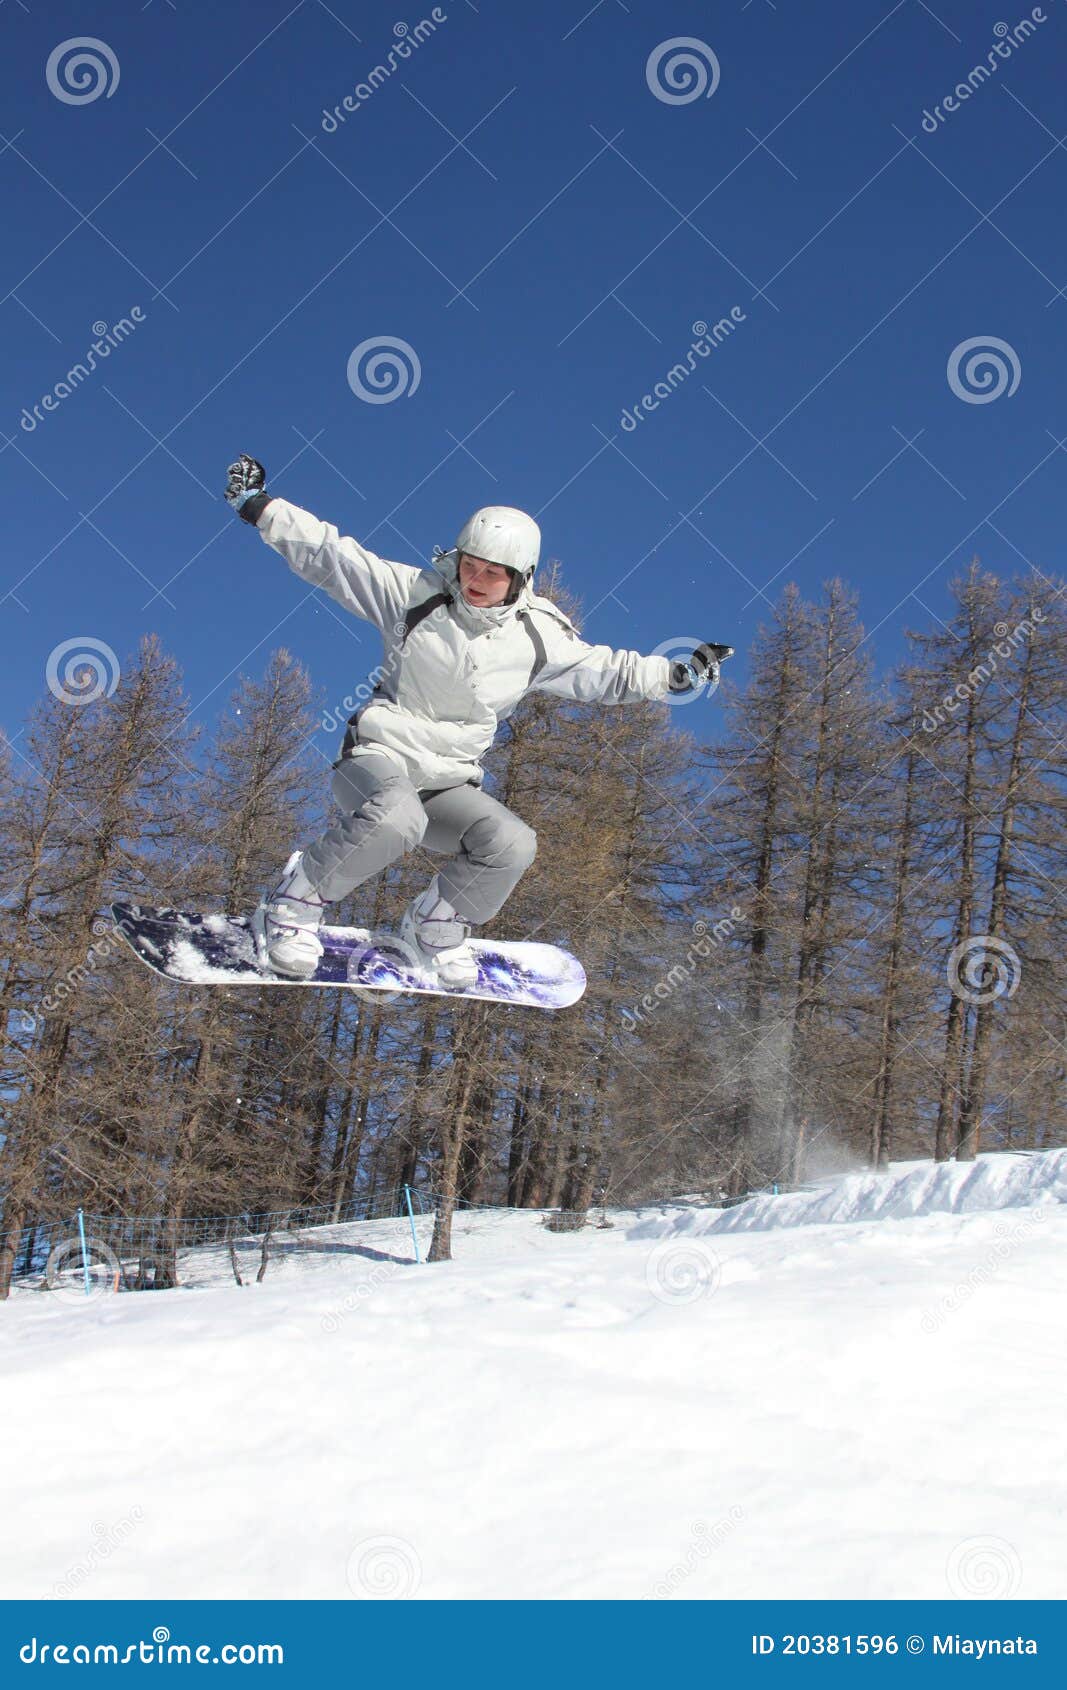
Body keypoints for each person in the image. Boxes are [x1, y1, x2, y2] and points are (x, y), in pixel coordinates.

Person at [225, 454, 728, 984]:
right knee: (398, 818)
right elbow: (333, 557)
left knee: (511, 843)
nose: (475, 579)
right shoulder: (414, 596)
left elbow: (603, 669)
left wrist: (675, 677)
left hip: (447, 783)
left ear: (520, 579)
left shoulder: (538, 637)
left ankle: (436, 924)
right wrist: (259, 506)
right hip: (375, 759)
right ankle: (292, 904)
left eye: (492, 573)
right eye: (470, 565)